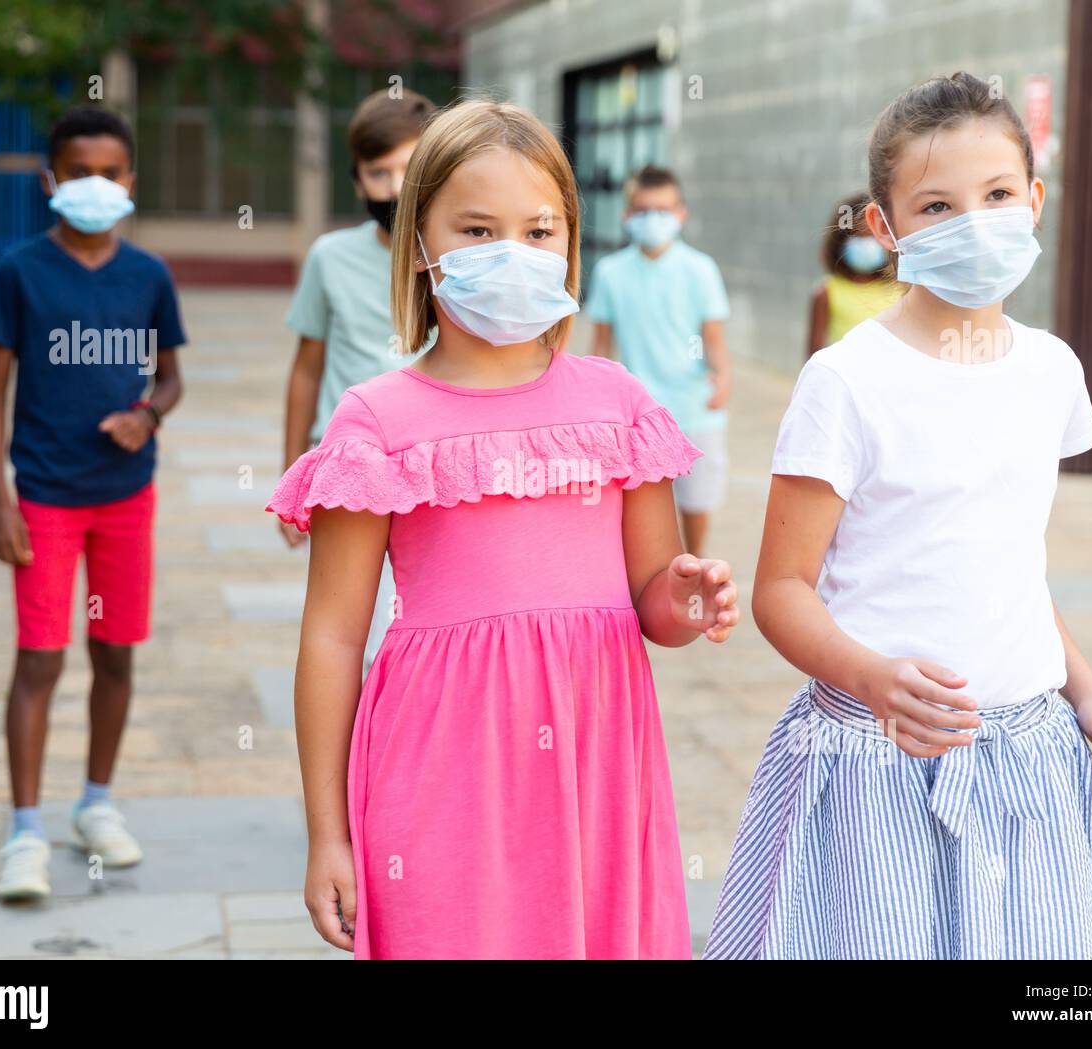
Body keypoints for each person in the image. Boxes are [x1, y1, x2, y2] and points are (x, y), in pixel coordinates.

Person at [266, 99, 740, 959]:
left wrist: (685, 595)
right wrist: (326, 833)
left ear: (570, 244)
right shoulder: (375, 419)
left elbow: (654, 608)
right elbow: (333, 636)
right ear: (419, 245)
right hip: (440, 773)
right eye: (477, 231)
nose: (511, 255)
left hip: (597, 766)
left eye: (538, 231)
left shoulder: (619, 405)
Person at [706, 72, 1092, 960]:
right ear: (885, 228)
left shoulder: (1052, 369)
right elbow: (782, 589)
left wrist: (1086, 691)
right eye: (937, 206)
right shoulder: (846, 381)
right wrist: (871, 679)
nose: (974, 222)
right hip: (879, 760)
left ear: (1035, 200)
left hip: (1027, 762)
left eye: (996, 196)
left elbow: (1009, 561)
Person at [0, 106, 187, 900]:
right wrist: (1, 500)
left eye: (110, 173)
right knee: (39, 658)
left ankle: (96, 802)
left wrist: (149, 413)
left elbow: (170, 376)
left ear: (130, 181)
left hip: (126, 496)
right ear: (48, 181)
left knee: (115, 653)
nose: (94, 186)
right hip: (45, 496)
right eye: (77, 172)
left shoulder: (148, 275)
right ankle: (24, 827)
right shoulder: (20, 271)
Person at [278, 87, 436, 677]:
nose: (396, 187)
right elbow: (306, 368)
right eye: (379, 172)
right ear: (356, 180)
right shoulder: (329, 258)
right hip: (350, 475)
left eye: (410, 168)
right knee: (350, 635)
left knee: (419, 636)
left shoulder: (458, 261)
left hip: (434, 475)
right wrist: (291, 466)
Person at [588, 165, 730, 558]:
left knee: (697, 502)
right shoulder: (610, 272)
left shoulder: (700, 269)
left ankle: (695, 563)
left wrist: (722, 379)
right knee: (641, 507)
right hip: (636, 414)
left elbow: (713, 336)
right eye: (644, 210)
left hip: (694, 407)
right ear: (627, 215)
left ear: (681, 214)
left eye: (664, 210)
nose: (655, 219)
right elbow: (602, 343)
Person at [806, 192, 904, 356]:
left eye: (872, 238)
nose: (867, 244)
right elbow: (814, 354)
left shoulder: (901, 289)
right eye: (858, 237)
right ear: (840, 241)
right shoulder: (826, 293)